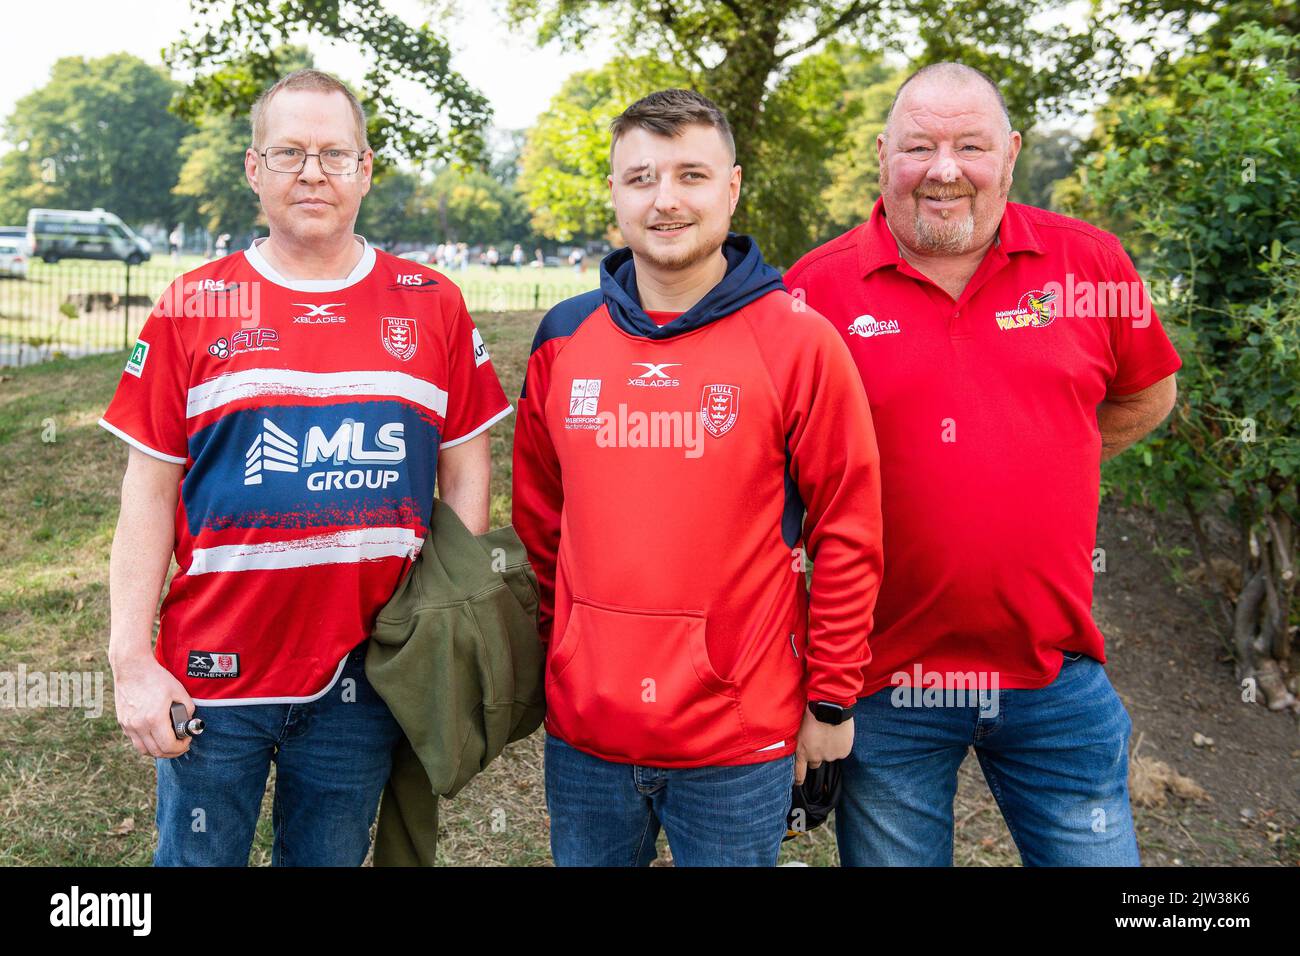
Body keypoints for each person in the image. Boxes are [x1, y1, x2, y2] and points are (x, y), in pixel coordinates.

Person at [101, 68, 512, 867]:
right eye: (288, 153)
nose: (312, 173)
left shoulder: (431, 301)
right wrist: (130, 662)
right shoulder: (194, 303)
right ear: (255, 171)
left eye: (334, 153)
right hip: (213, 672)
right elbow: (147, 492)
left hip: (363, 675)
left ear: (365, 169)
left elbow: (467, 463)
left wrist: (444, 617)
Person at [785, 62, 1181, 867]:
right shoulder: (810, 292)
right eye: (918, 146)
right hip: (882, 681)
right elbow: (778, 467)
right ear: (881, 154)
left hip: (1054, 675)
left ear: (1010, 155)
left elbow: (1149, 394)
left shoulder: (1091, 266)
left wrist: (1044, 448)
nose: (943, 169)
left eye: (971, 145)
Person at [512, 89, 884, 867]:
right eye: (641, 177)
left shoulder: (799, 342)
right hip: (587, 733)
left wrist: (831, 699)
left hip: (737, 738)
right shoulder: (562, 340)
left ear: (733, 188)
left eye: (691, 175)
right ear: (614, 192)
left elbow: (849, 530)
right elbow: (541, 527)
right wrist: (565, 652)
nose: (666, 199)